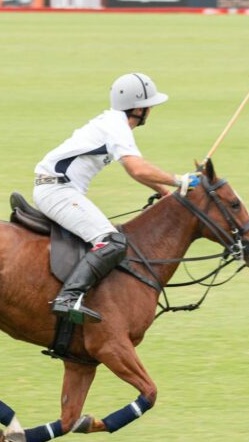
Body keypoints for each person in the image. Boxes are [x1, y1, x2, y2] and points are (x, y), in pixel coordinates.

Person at [33, 73, 200, 325]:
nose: (151, 110)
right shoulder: (117, 127)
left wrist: (165, 192)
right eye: (149, 106)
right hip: (56, 191)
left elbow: (136, 168)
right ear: (138, 108)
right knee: (112, 241)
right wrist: (179, 180)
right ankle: (68, 298)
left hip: (59, 189)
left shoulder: (114, 123)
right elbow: (137, 168)